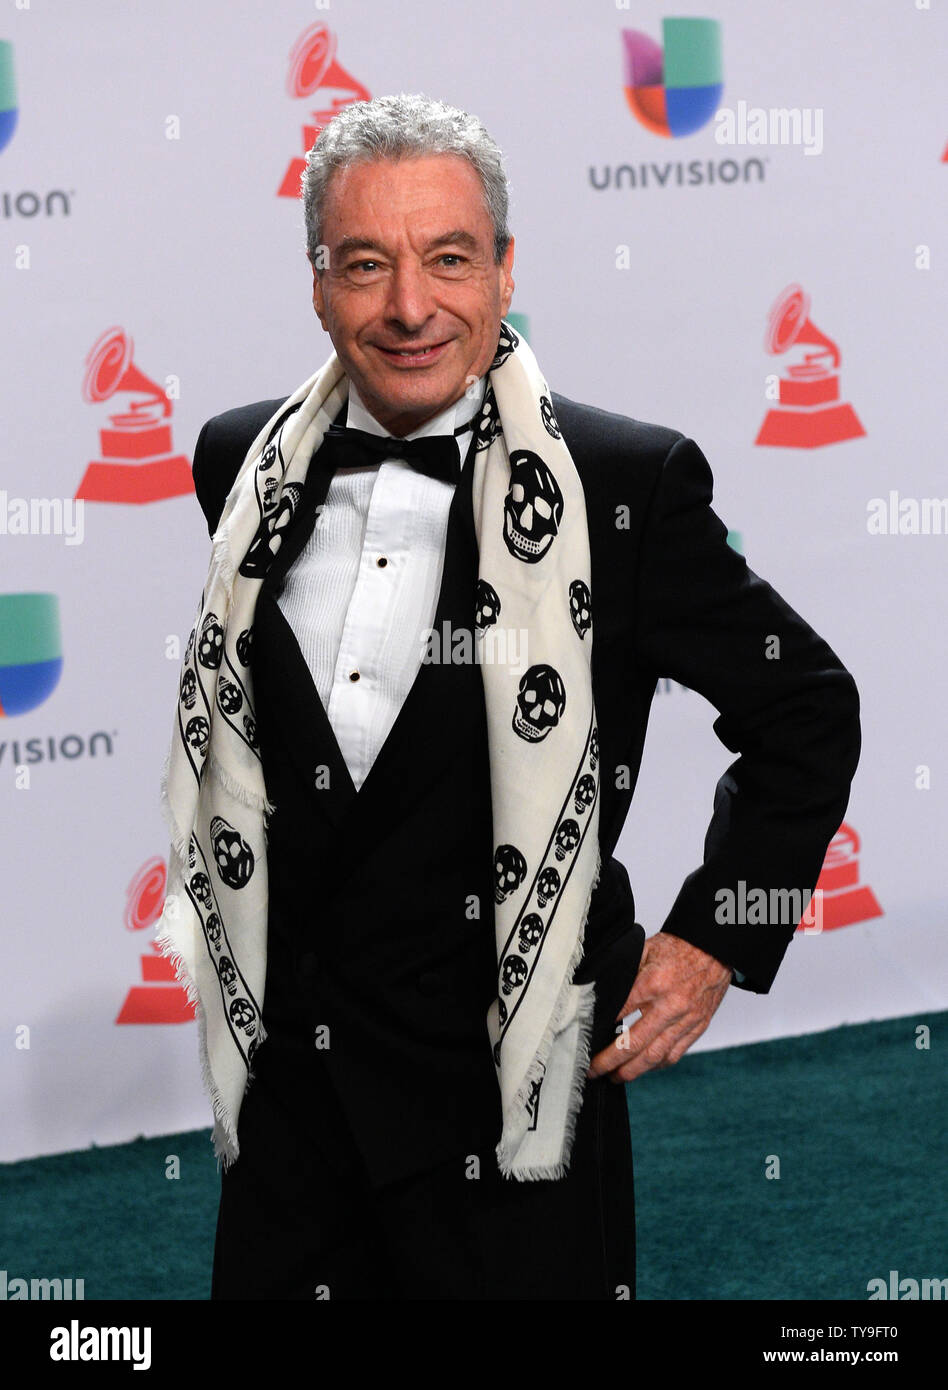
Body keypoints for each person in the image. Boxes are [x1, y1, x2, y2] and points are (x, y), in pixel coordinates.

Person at [158, 93, 860, 1301]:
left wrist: (714, 937)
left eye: (449, 258)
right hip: (296, 1099)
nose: (411, 306)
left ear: (505, 268)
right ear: (317, 281)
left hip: (512, 1094)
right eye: (366, 264)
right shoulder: (240, 459)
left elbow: (808, 706)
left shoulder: (623, 483)